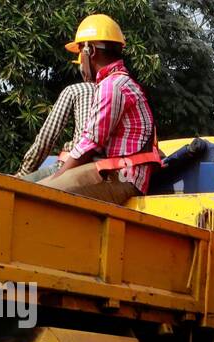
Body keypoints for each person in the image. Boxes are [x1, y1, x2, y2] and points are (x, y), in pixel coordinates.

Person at [42, 14, 160, 204]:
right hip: (115, 172)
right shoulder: (117, 83)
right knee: (40, 188)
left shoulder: (112, 86)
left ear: (91, 51)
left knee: (42, 192)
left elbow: (91, 142)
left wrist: (58, 177)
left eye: (81, 51)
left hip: (122, 177)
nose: (80, 60)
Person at [16, 69, 95, 181]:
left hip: (73, 166)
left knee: (17, 188)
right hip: (111, 171)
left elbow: (47, 138)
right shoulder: (121, 89)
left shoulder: (76, 90)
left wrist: (23, 173)